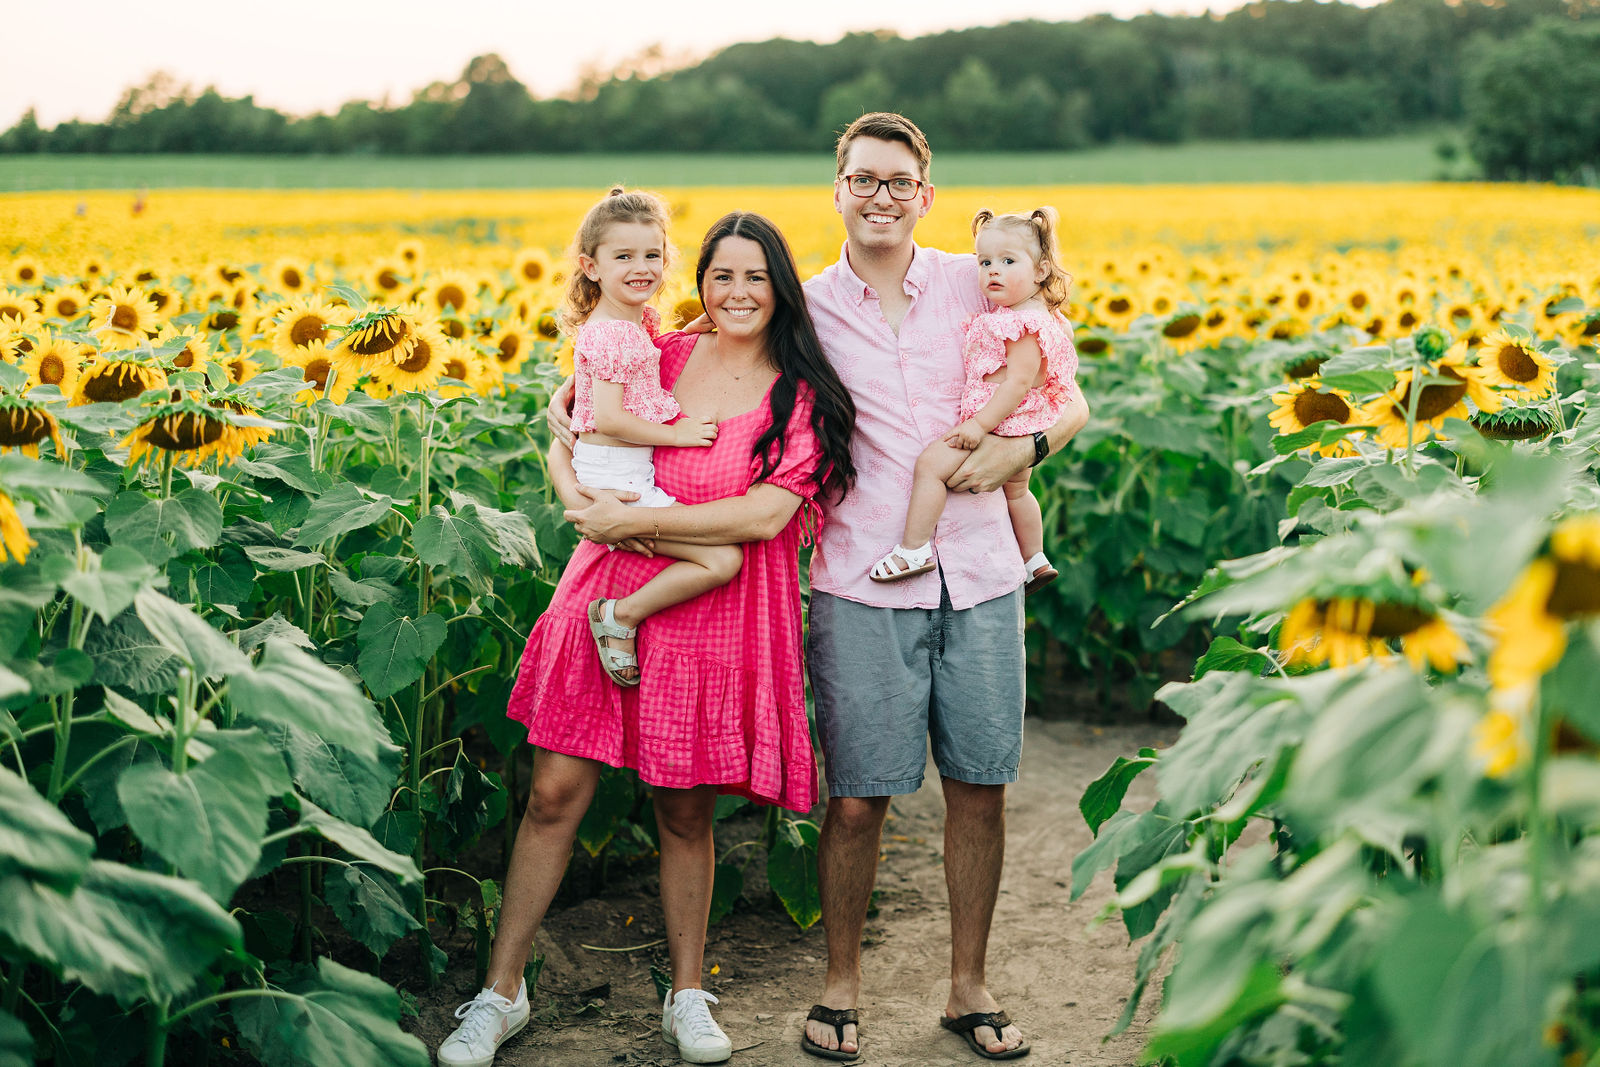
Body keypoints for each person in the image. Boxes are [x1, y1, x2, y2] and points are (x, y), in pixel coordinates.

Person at [436, 211, 856, 1067]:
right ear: (697, 282)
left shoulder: (799, 394)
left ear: (781, 288)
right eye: (720, 275)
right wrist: (580, 496)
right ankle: (500, 993)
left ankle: (688, 993)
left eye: (755, 277)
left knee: (685, 806)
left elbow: (768, 515)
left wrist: (641, 522)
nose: (736, 292)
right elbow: (573, 432)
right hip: (612, 580)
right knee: (554, 790)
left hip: (711, 607)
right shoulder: (657, 352)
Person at [799, 114, 1089, 1063]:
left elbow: (1071, 389)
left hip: (979, 568)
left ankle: (969, 985)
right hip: (861, 573)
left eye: (898, 181)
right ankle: (841, 985)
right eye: (862, 178)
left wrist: (1026, 446)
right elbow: (706, 352)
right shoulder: (808, 307)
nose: (879, 195)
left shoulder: (984, 277)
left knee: (981, 785)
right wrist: (578, 400)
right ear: (836, 188)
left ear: (927, 194)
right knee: (857, 798)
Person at [557, 186, 741, 688]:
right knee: (722, 558)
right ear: (590, 267)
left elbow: (644, 360)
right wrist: (676, 434)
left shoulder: (625, 322)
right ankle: (619, 616)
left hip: (618, 468)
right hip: (618, 473)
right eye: (624, 257)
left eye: (652, 255)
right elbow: (612, 418)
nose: (642, 267)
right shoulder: (613, 331)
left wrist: (692, 330)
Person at [867, 207, 1078, 597]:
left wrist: (978, 425)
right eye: (985, 262)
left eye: (1007, 261)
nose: (992, 271)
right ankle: (1034, 560)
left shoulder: (1021, 324)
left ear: (1041, 270)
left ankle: (913, 549)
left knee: (931, 465)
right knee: (1017, 492)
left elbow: (1017, 383)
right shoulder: (1031, 315)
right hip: (1016, 425)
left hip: (1000, 423)